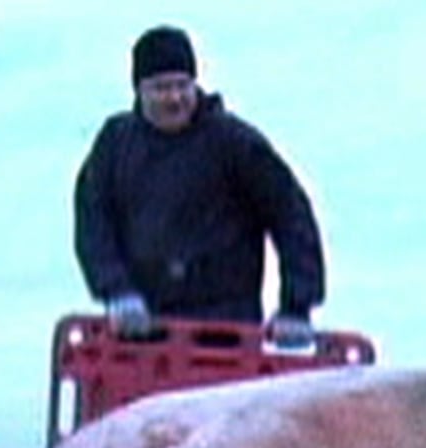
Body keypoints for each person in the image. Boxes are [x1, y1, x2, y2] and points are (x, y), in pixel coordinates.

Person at [75, 25, 325, 346]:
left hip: (226, 333)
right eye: (162, 88)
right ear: (139, 90)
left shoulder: (234, 143)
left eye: (183, 85)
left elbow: (291, 215)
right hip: (142, 329)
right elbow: (93, 222)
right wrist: (115, 290)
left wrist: (296, 305)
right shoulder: (115, 145)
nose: (175, 98)